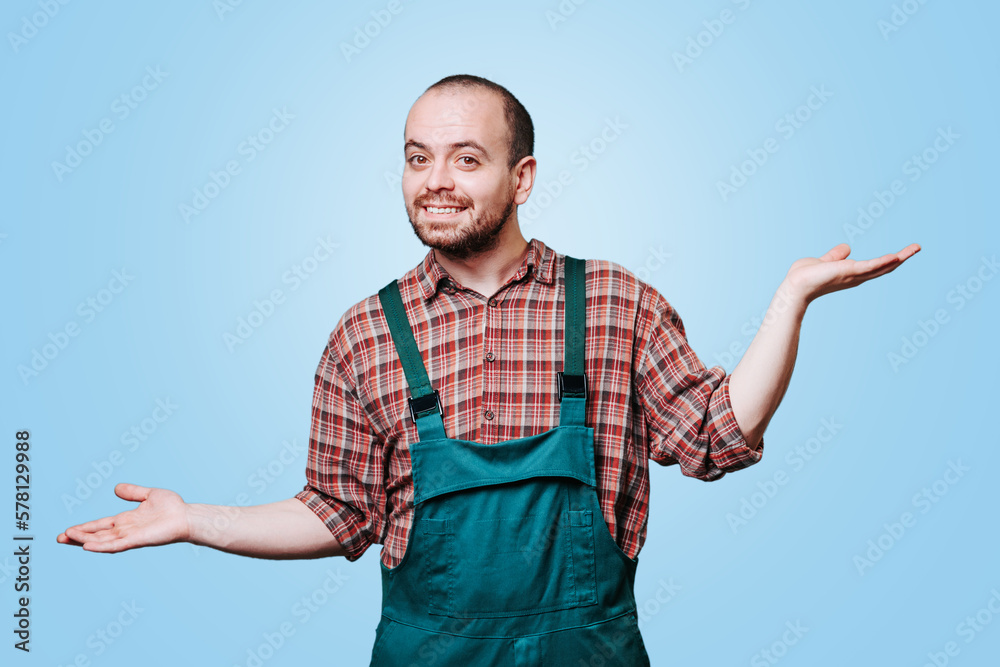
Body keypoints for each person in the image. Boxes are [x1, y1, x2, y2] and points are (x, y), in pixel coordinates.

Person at [58, 74, 920, 665]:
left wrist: (790, 300)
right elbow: (338, 513)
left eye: (466, 158)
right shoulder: (364, 334)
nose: (435, 181)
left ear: (522, 175)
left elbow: (716, 435)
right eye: (417, 157)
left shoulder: (614, 302)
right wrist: (192, 519)